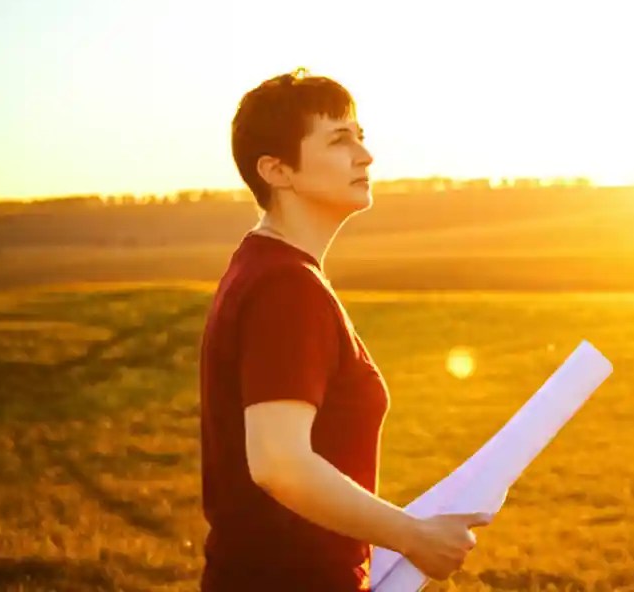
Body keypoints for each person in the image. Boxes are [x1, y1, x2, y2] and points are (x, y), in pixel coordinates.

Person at [198, 69, 490, 590]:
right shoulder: (286, 287)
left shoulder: (268, 269)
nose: (365, 155)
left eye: (360, 136)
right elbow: (279, 463)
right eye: (338, 140)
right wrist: (412, 536)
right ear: (277, 170)